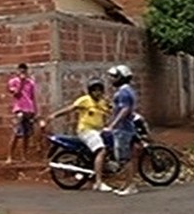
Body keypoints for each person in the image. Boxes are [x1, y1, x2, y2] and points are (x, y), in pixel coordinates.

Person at [41, 79, 113, 192]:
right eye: (95, 91)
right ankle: (98, 182)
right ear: (90, 92)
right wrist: (53, 116)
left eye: (100, 90)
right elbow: (70, 109)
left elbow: (111, 112)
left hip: (99, 130)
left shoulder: (103, 102)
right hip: (87, 130)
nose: (98, 93)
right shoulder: (84, 100)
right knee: (101, 151)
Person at [104, 64, 140, 196]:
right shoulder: (127, 91)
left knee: (125, 158)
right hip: (125, 128)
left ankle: (131, 185)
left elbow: (125, 110)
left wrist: (113, 125)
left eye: (114, 77)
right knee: (124, 157)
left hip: (123, 129)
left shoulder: (123, 92)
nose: (112, 79)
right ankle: (127, 184)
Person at [6, 63, 38, 164]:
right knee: (16, 133)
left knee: (27, 135)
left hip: (29, 110)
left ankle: (24, 157)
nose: (23, 73)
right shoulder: (13, 82)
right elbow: (16, 94)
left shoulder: (31, 83)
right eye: (21, 71)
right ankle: (10, 156)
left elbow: (32, 98)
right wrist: (21, 83)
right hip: (19, 110)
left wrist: (34, 111)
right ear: (18, 71)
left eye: (25, 71)